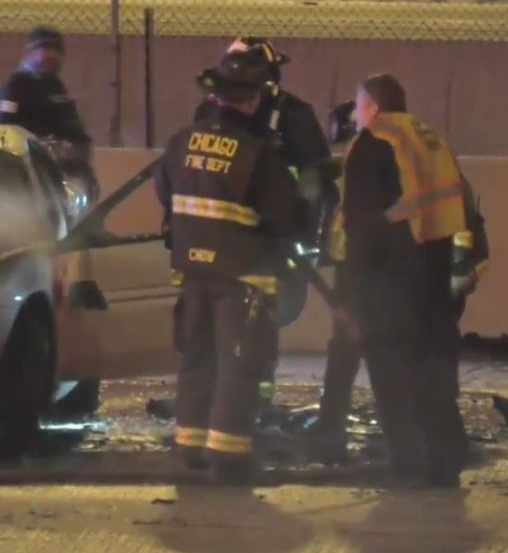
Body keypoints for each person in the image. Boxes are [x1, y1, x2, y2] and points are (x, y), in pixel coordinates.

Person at [301, 99, 489, 465]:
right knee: (360, 354)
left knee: (402, 361)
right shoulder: (385, 164)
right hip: (381, 279)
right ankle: (348, 429)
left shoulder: (391, 167)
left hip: (399, 281)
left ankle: (417, 449)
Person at [155, 46, 306, 484]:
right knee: (240, 363)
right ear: (254, 99)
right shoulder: (261, 152)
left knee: (197, 359)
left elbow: (167, 196)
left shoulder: (182, 141)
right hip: (243, 274)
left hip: (192, 272)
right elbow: (284, 216)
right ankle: (229, 455)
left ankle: (189, 446)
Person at [328, 73, 471, 487]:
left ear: (371, 108)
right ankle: (447, 462)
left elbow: (361, 227)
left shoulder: (371, 145)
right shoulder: (429, 139)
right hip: (435, 278)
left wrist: (349, 295)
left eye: (357, 106)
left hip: (388, 283)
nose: (356, 115)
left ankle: (409, 467)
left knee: (392, 380)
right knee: (435, 375)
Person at [193, 37, 334, 415]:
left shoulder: (293, 117)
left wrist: (307, 242)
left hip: (271, 247)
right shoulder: (207, 116)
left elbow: (317, 182)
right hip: (218, 248)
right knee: (211, 330)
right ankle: (216, 404)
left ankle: (252, 402)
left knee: (261, 324)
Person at [0, 26, 97, 198]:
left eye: (55, 50)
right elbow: (5, 128)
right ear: (32, 52)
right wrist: (40, 144)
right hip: (30, 163)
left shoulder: (55, 86)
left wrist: (74, 145)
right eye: (45, 49)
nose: (50, 56)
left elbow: (71, 125)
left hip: (58, 163)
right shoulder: (17, 86)